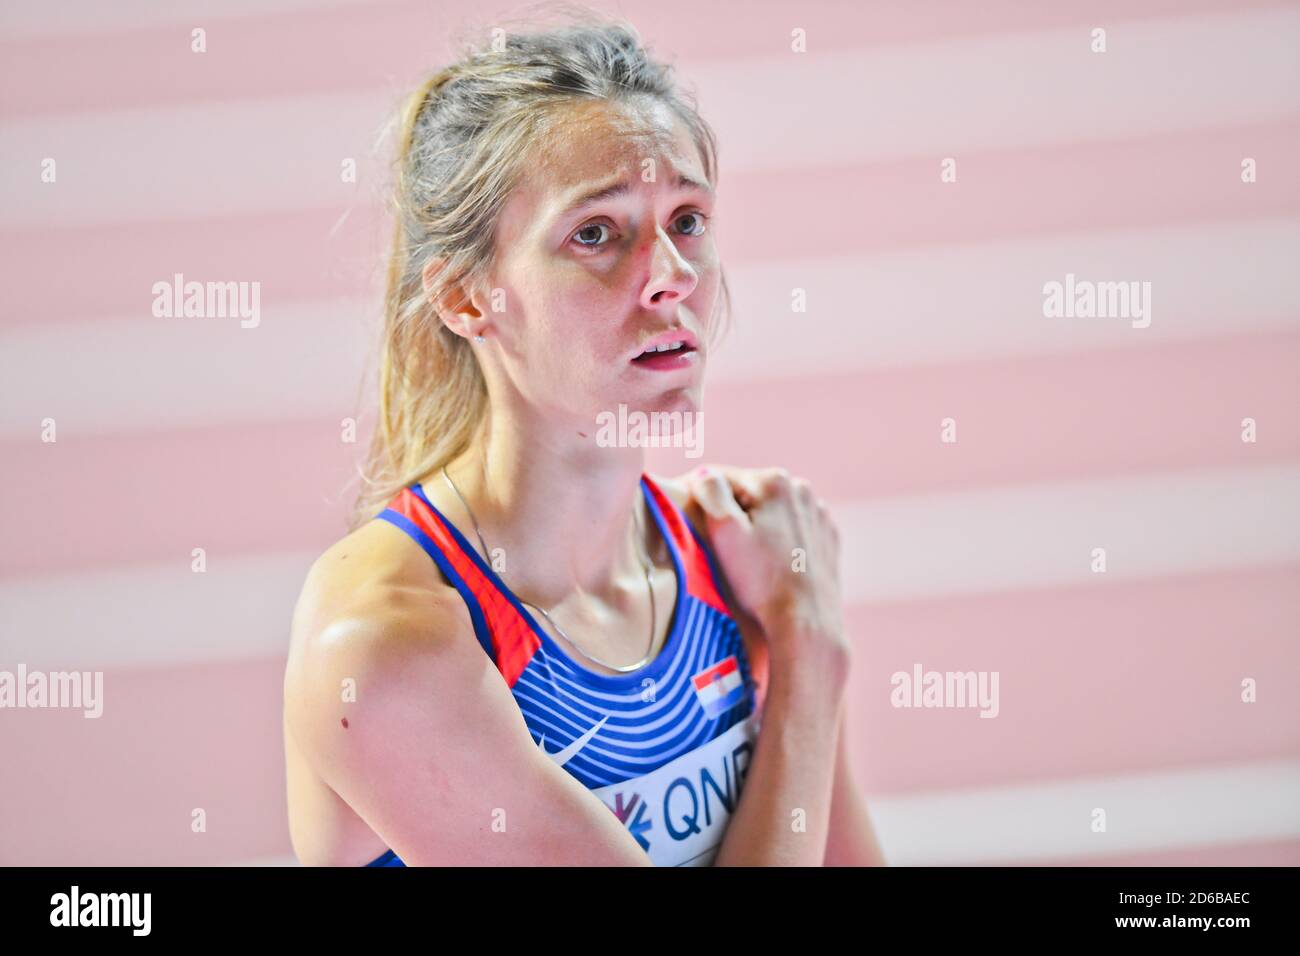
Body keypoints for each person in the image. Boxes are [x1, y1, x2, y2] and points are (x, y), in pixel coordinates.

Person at [283, 13, 885, 867]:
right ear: (465, 299)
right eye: (596, 233)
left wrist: (797, 651)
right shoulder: (388, 643)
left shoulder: (732, 564)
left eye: (686, 220)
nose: (671, 278)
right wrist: (808, 666)